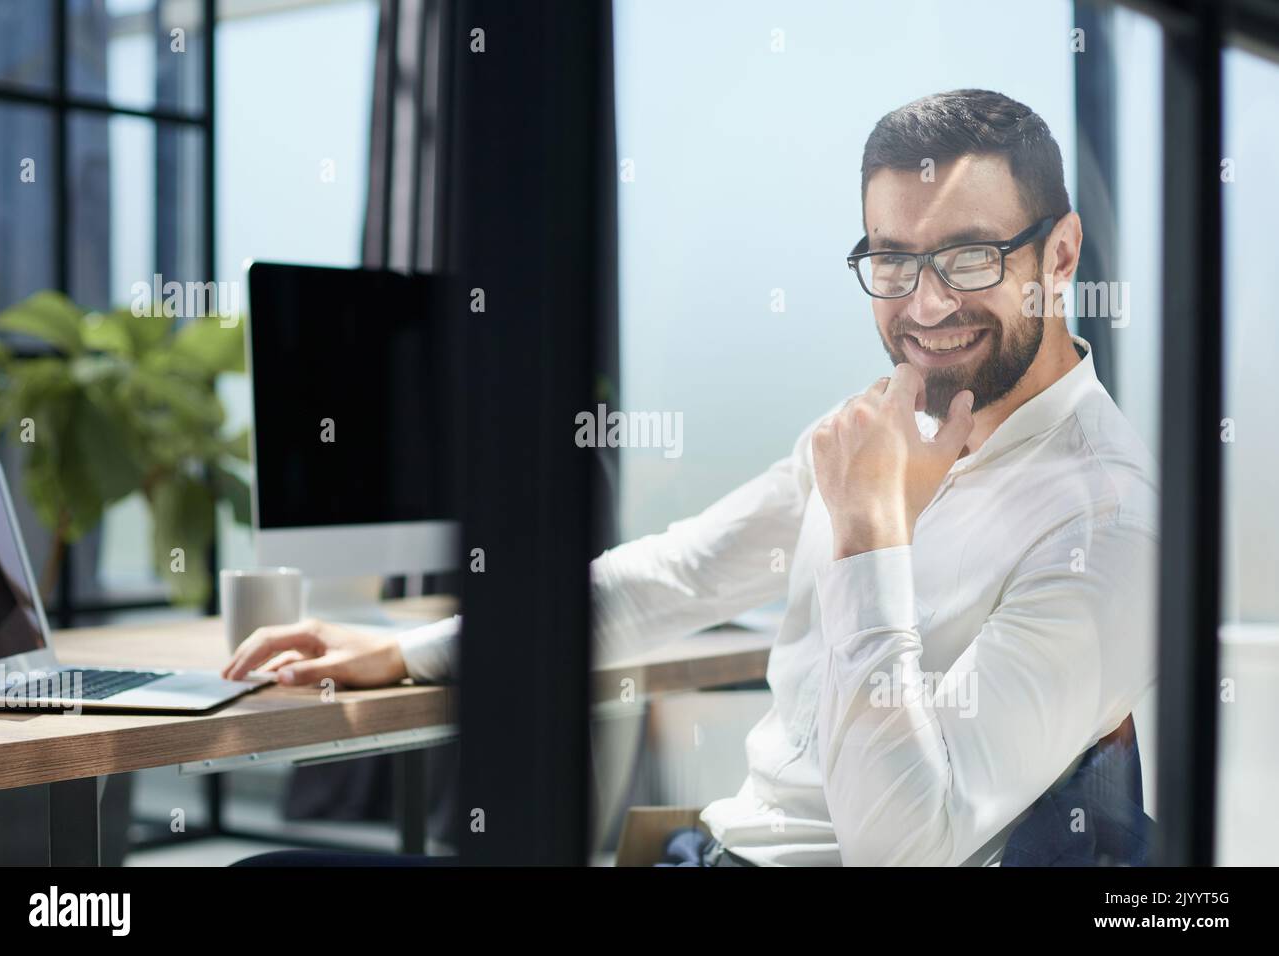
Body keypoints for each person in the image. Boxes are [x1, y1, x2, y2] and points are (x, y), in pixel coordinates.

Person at [224, 89, 1158, 867]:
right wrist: (408, 650)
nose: (926, 303)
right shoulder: (874, 429)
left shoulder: (1106, 523)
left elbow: (903, 848)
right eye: (892, 260)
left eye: (968, 256)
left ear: (1061, 254)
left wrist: (875, 535)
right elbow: (678, 575)